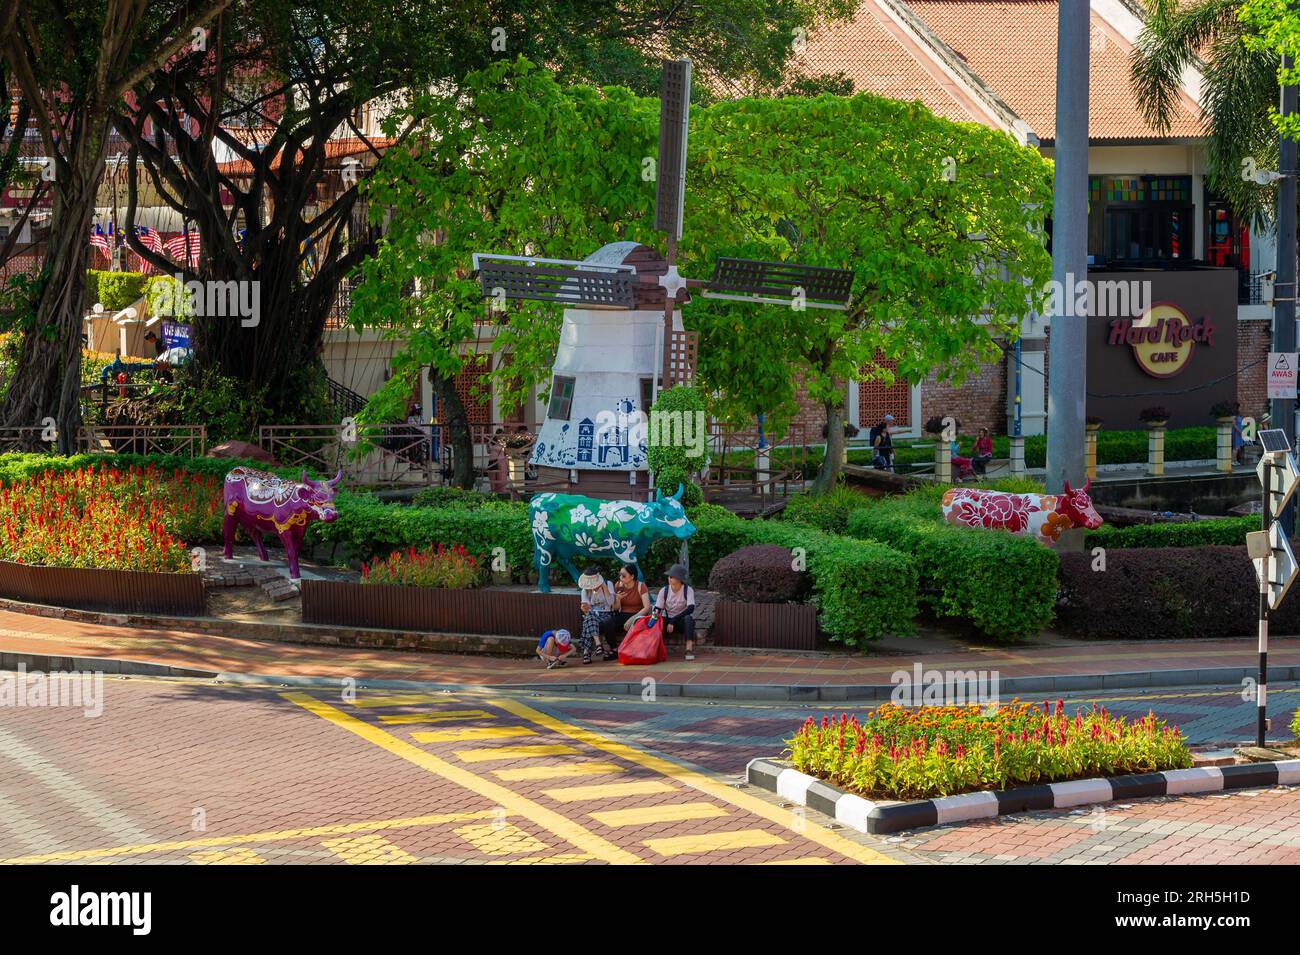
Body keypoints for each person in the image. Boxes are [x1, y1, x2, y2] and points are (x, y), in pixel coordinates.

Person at [655, 563, 697, 662]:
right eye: (669, 576)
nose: (669, 578)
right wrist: (654, 616)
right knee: (657, 620)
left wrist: (673, 620)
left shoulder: (688, 590)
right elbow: (657, 608)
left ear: (679, 579)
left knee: (689, 619)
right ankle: (655, 648)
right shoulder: (664, 591)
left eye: (672, 576)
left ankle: (689, 649)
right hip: (669, 622)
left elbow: (690, 608)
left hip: (681, 621)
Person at [577, 566, 617, 663]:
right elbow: (586, 608)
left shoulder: (608, 584)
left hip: (606, 614)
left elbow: (611, 602)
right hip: (592, 615)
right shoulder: (585, 590)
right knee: (589, 617)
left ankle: (587, 652)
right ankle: (598, 644)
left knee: (588, 621)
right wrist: (584, 609)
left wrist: (604, 587)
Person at [603, 563, 649, 646]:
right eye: (620, 575)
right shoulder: (618, 585)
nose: (621, 577)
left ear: (632, 576)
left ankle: (634, 651)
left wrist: (632, 619)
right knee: (607, 623)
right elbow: (615, 608)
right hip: (622, 614)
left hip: (637, 615)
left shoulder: (641, 586)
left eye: (623, 575)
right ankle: (613, 649)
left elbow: (647, 607)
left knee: (636, 626)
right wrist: (618, 599)